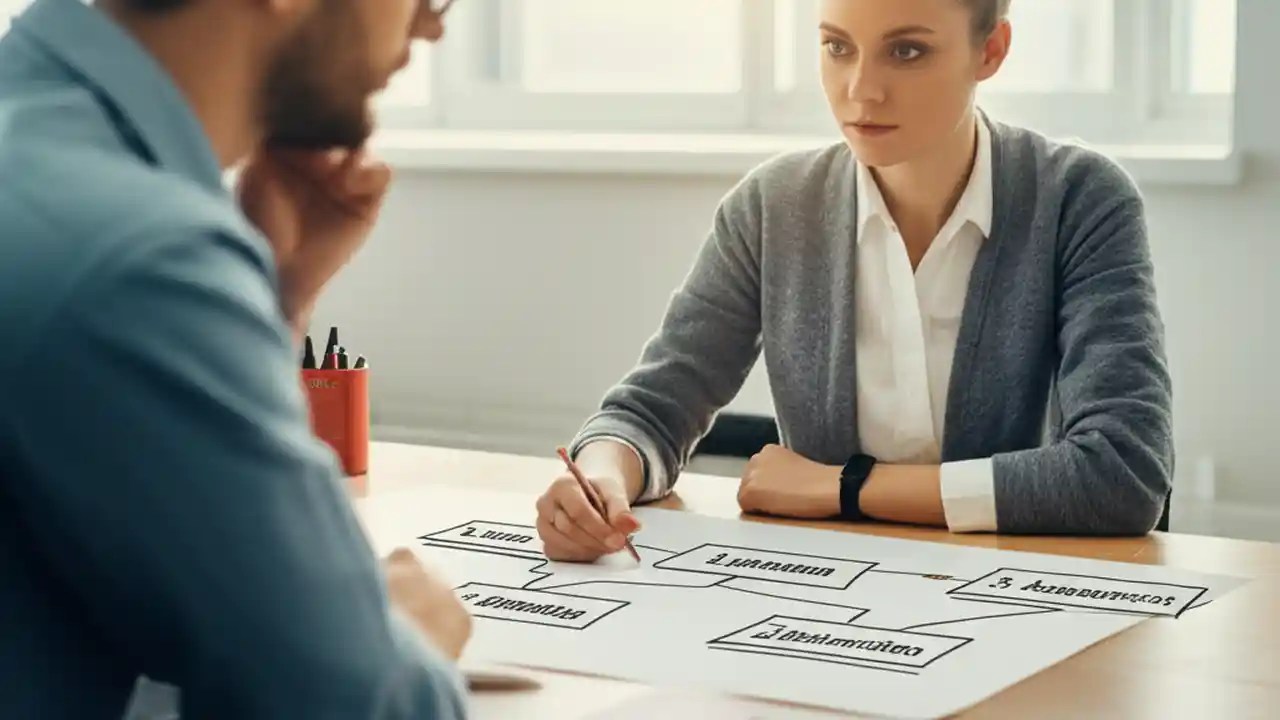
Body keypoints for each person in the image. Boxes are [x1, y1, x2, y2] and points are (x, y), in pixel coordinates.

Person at [534, 0, 1174, 562]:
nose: (860, 90)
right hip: (830, 598)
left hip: (1018, 598)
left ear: (991, 50)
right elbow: (653, 406)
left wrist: (843, 487)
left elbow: (1123, 473)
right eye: (837, 47)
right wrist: (600, 479)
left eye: (906, 51)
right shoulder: (771, 206)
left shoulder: (1079, 200)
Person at [0, 0, 472, 717]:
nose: (431, 26)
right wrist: (407, 634)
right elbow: (350, 703)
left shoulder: (37, 145)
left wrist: (273, 302)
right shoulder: (139, 253)